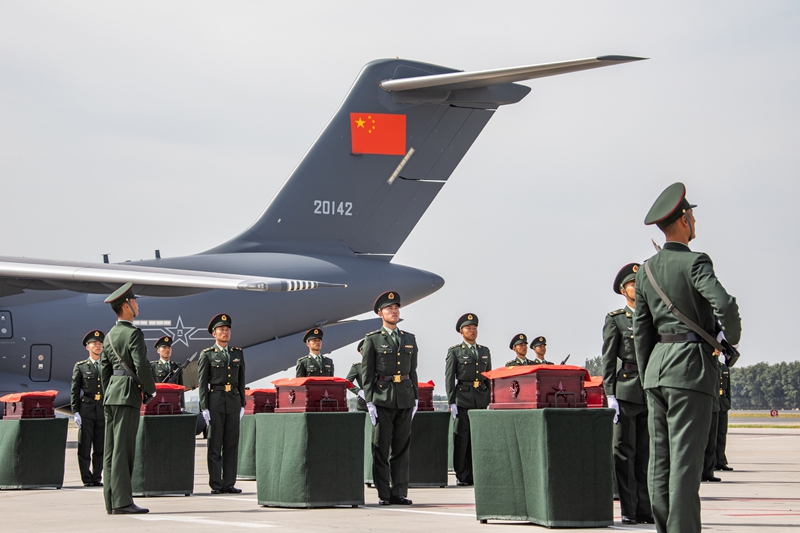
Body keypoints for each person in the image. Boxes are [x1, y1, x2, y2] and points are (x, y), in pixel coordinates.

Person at [633, 182, 741, 533]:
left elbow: (642, 332)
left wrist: (650, 371)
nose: (695, 222)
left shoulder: (646, 271)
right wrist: (730, 339)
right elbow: (724, 304)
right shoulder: (695, 263)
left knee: (659, 463)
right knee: (685, 464)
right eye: (692, 216)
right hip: (691, 370)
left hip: (657, 371)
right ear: (682, 221)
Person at [602, 263, 653, 525]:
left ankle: (645, 509)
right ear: (624, 290)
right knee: (624, 453)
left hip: (649, 391)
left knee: (646, 454)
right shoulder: (616, 319)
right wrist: (609, 394)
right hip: (625, 391)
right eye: (633, 284)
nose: (638, 287)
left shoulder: (653, 315)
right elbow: (608, 360)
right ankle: (628, 509)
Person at [100, 282, 157, 515]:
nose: (137, 304)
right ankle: (123, 502)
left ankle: (111, 500)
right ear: (126, 306)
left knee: (111, 450)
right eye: (134, 302)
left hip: (112, 394)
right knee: (124, 449)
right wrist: (150, 389)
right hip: (127, 394)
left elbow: (104, 371)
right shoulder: (132, 333)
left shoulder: (110, 335)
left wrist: (110, 392)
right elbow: (141, 365)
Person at [361, 291, 419, 505]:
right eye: (389, 309)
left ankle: (399, 492)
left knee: (402, 448)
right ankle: (384, 493)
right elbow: (367, 373)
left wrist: (415, 397)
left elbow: (412, 371)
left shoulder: (409, 338)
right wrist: (370, 401)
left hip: (404, 397)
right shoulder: (373, 339)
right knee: (381, 448)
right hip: (382, 397)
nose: (394, 311)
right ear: (380, 313)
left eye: (396, 308)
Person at [198, 313, 246, 494]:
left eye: (227, 330)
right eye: (221, 330)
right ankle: (216, 484)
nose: (225, 333)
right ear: (214, 334)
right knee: (215, 445)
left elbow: (241, 380)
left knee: (231, 445)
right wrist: (204, 407)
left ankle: (229, 483)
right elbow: (202, 383)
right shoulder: (207, 355)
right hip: (215, 402)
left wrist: (242, 403)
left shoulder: (237, 353)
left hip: (233, 402)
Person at [445, 313, 492, 487]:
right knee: (462, 437)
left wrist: (489, 398)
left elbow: (488, 376)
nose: (472, 331)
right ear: (461, 331)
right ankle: (461, 474)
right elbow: (450, 377)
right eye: (468, 328)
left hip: (480, 397)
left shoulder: (484, 351)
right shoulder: (455, 351)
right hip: (463, 397)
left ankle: (474, 472)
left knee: (476, 438)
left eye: (474, 328)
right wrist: (451, 401)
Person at [71, 329, 106, 487]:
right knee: (84, 447)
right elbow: (75, 390)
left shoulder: (106, 366)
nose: (98, 346)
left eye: (100, 344)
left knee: (100, 447)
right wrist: (75, 411)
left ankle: (97, 477)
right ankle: (86, 478)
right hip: (86, 410)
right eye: (94, 344)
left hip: (102, 410)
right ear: (87, 347)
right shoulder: (81, 366)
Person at [150, 335, 185, 408]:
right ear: (158, 350)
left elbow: (180, 386)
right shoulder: (153, 366)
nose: (167, 350)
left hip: (174, 402)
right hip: (157, 402)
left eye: (168, 347)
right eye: (164, 347)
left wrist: (182, 406)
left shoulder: (176, 366)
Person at [702, 358, 722, 482]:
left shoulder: (715, 363)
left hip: (714, 405)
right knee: (700, 443)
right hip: (702, 404)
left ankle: (708, 472)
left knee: (711, 443)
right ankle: (699, 472)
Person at [715, 360, 733, 471]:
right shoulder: (710, 365)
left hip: (723, 403)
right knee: (711, 435)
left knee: (722, 433)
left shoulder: (724, 367)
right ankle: (711, 462)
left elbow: (728, 388)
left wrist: (728, 403)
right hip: (713, 401)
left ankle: (721, 461)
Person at [346, 339, 367, 412]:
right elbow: (347, 382)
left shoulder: (381, 366)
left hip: (382, 402)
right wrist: (360, 392)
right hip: (365, 404)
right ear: (361, 352)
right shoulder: (357, 367)